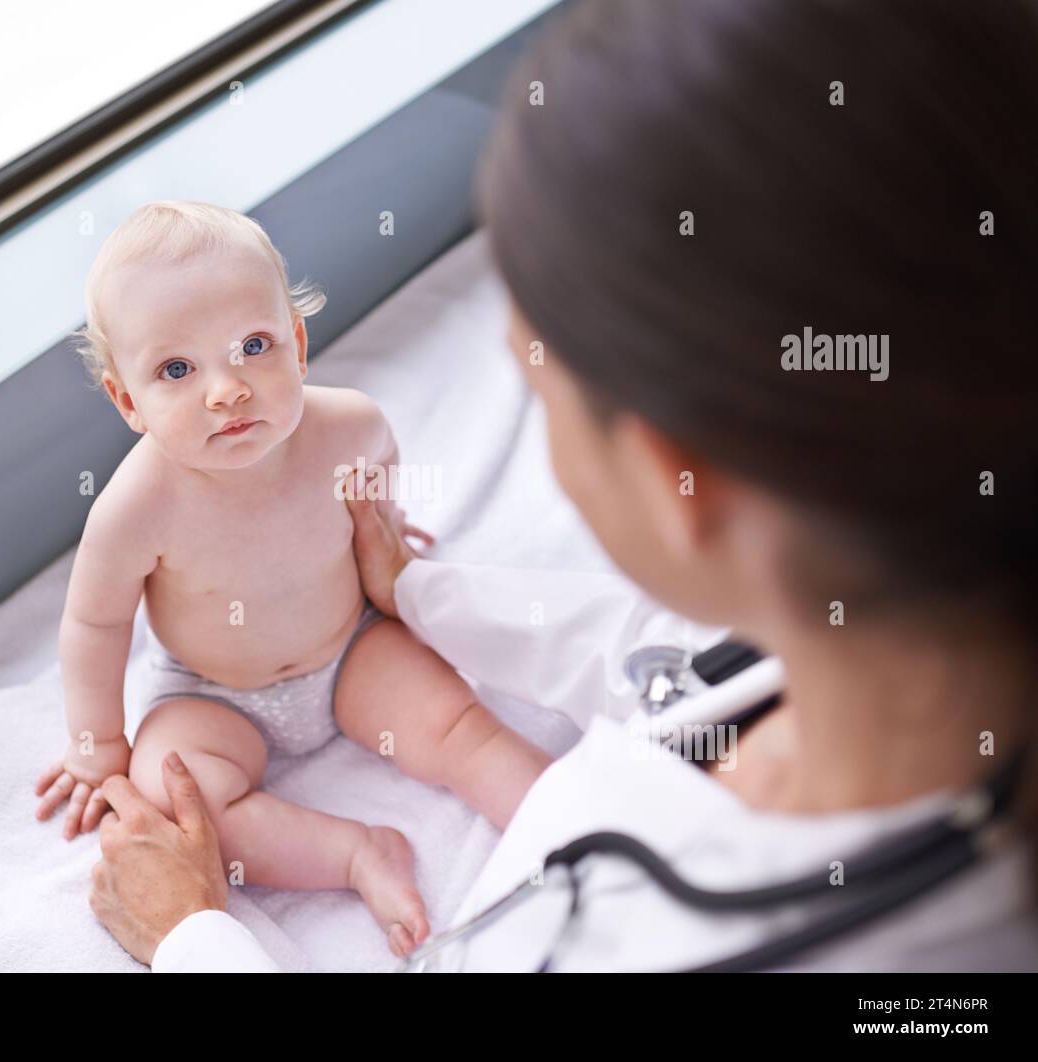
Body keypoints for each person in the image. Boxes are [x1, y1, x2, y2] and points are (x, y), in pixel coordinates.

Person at [86, 0, 1038, 971]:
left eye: (541, 392)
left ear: (682, 483)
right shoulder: (854, 640)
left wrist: (193, 934)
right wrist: (414, 589)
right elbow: (664, 658)